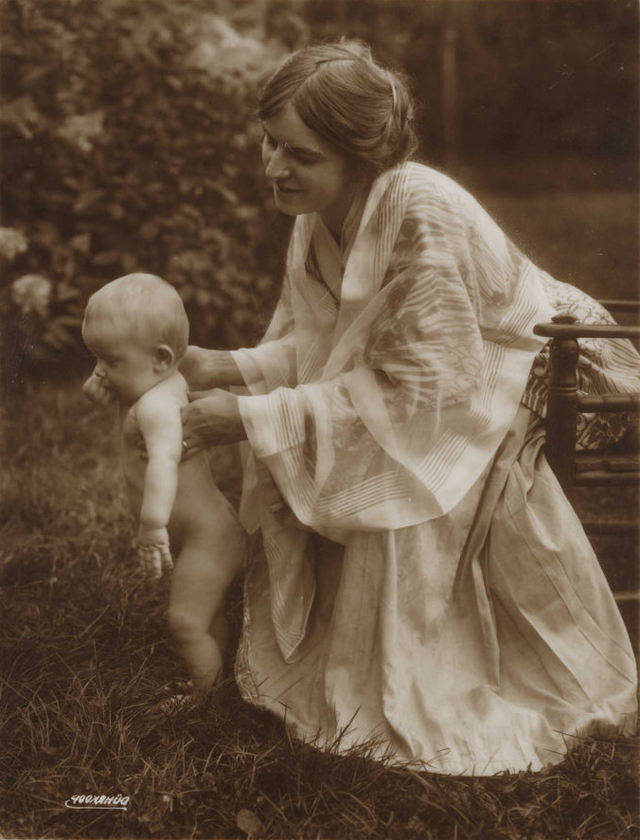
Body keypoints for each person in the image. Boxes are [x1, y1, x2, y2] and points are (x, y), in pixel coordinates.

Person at [180, 39, 639, 775]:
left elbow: (426, 390)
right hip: (445, 375)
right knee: (368, 455)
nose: (273, 168)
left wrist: (249, 416)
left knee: (407, 485)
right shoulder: (317, 214)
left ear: (359, 157)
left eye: (298, 154)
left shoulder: (419, 210)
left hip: (554, 367)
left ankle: (414, 675)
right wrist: (225, 366)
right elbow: (321, 346)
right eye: (268, 144)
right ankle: (350, 659)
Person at [82, 273, 246, 697]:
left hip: (205, 538)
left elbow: (165, 460)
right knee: (206, 615)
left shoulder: (155, 406)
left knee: (186, 622)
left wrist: (152, 524)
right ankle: (216, 679)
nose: (100, 371)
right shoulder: (158, 382)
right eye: (95, 358)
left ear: (160, 358)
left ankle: (206, 701)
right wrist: (99, 384)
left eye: (111, 362)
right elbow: (109, 381)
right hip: (209, 530)